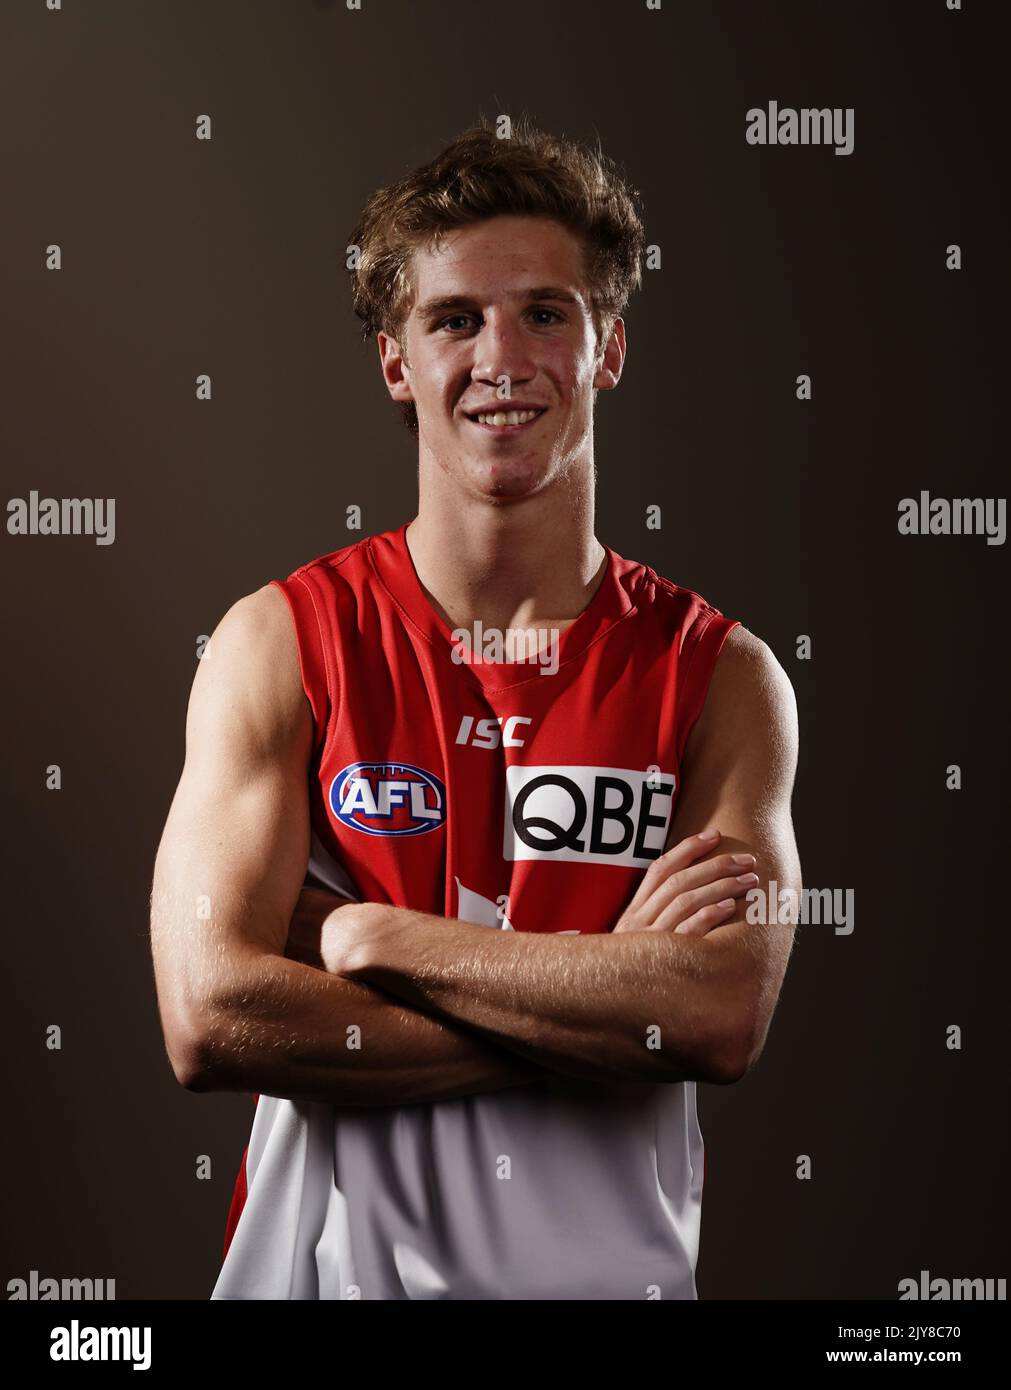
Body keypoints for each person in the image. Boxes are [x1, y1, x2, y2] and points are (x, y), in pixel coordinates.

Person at [149, 118, 801, 1300]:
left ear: (607, 349)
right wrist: (603, 990)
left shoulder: (724, 673)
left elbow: (715, 1014)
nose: (503, 355)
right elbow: (210, 1013)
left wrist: (376, 940)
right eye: (455, 319)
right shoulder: (282, 640)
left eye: (546, 312)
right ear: (398, 362)